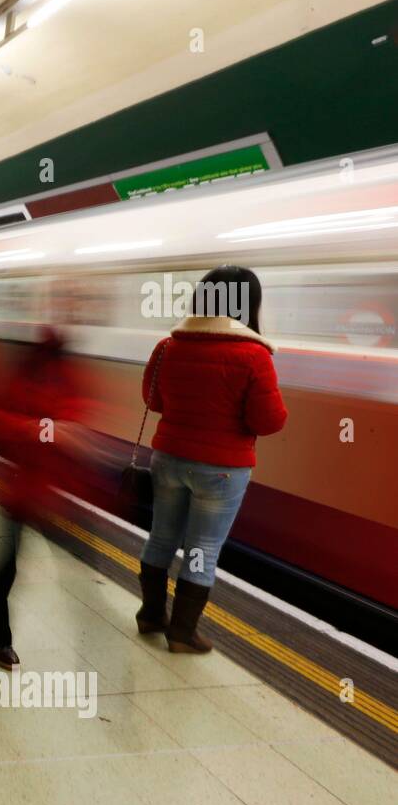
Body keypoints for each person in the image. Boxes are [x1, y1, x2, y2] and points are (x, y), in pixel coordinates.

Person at [136, 266, 287, 653]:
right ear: (248, 304)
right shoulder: (254, 355)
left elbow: (154, 402)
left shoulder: (168, 346)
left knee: (161, 536)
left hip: (168, 458)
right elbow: (268, 422)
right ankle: (183, 633)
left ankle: (151, 616)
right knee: (203, 547)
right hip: (222, 470)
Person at [0, 326, 89, 668]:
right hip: (15, 484)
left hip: (49, 486)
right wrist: (46, 430)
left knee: (17, 563)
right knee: (7, 563)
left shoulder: (65, 366)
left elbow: (76, 411)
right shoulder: (21, 363)